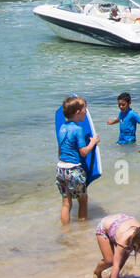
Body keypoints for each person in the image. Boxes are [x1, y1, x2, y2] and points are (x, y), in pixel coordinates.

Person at [57, 96, 99, 224]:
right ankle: (82, 229)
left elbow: (59, 151)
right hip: (73, 169)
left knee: (66, 202)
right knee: (83, 200)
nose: (86, 112)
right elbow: (84, 152)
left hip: (60, 168)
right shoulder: (78, 129)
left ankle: (65, 230)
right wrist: (94, 142)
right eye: (84, 110)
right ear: (77, 112)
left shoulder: (62, 127)